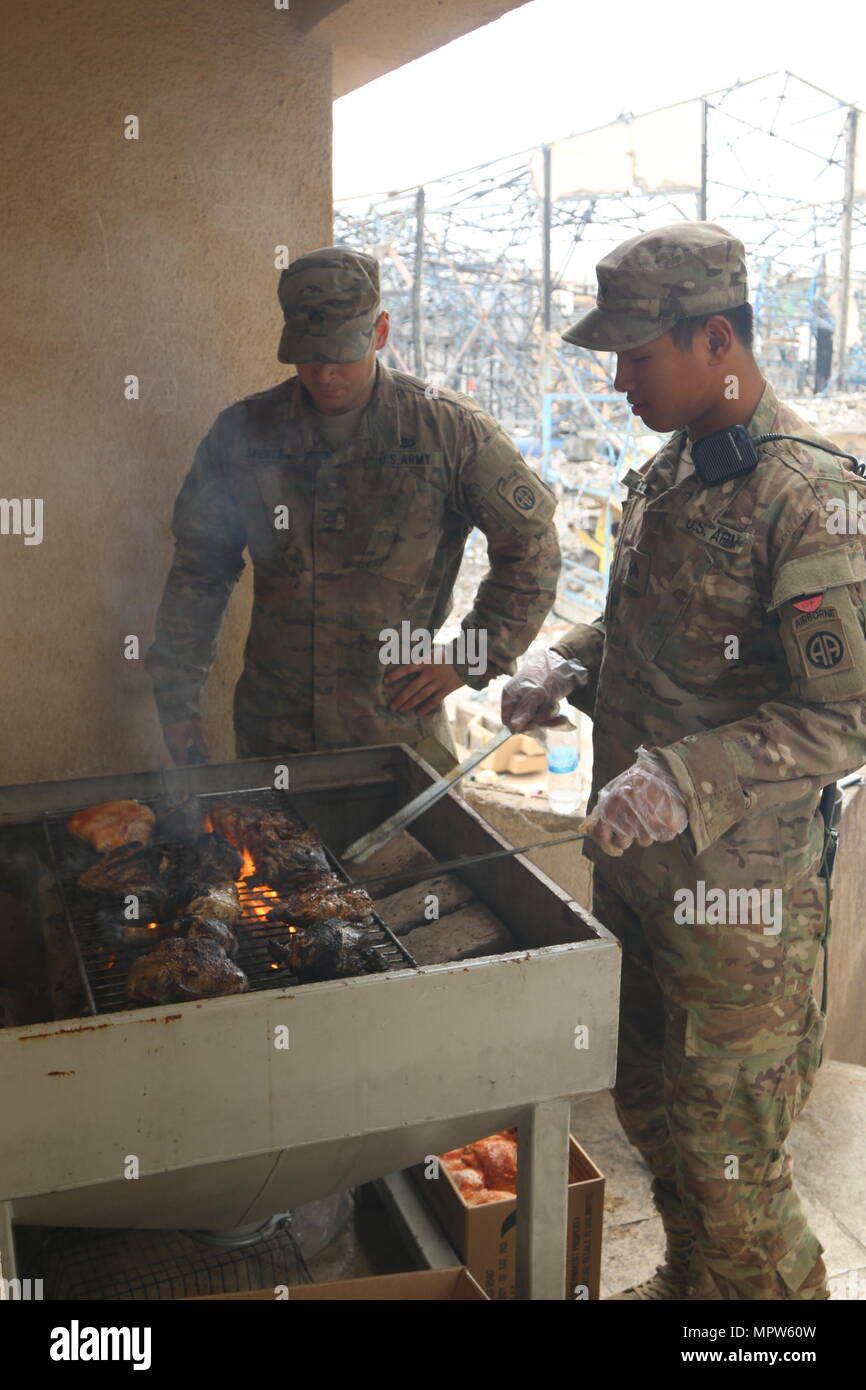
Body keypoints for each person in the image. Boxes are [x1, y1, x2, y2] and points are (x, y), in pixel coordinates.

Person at [503, 221, 866, 1301]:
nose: (615, 380)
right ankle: (696, 1288)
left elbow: (844, 715)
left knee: (730, 1173)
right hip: (644, 878)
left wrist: (682, 774)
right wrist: (563, 659)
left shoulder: (809, 496)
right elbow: (652, 630)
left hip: (738, 908)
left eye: (636, 354)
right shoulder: (671, 473)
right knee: (651, 1111)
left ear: (717, 339)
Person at [146, 246, 560, 771]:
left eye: (340, 353)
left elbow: (532, 545)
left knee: (407, 855)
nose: (323, 373)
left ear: (380, 332)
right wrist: (177, 701)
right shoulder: (244, 434)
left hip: (394, 727)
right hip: (275, 729)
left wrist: (469, 658)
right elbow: (198, 572)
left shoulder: (446, 431)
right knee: (268, 853)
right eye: (308, 355)